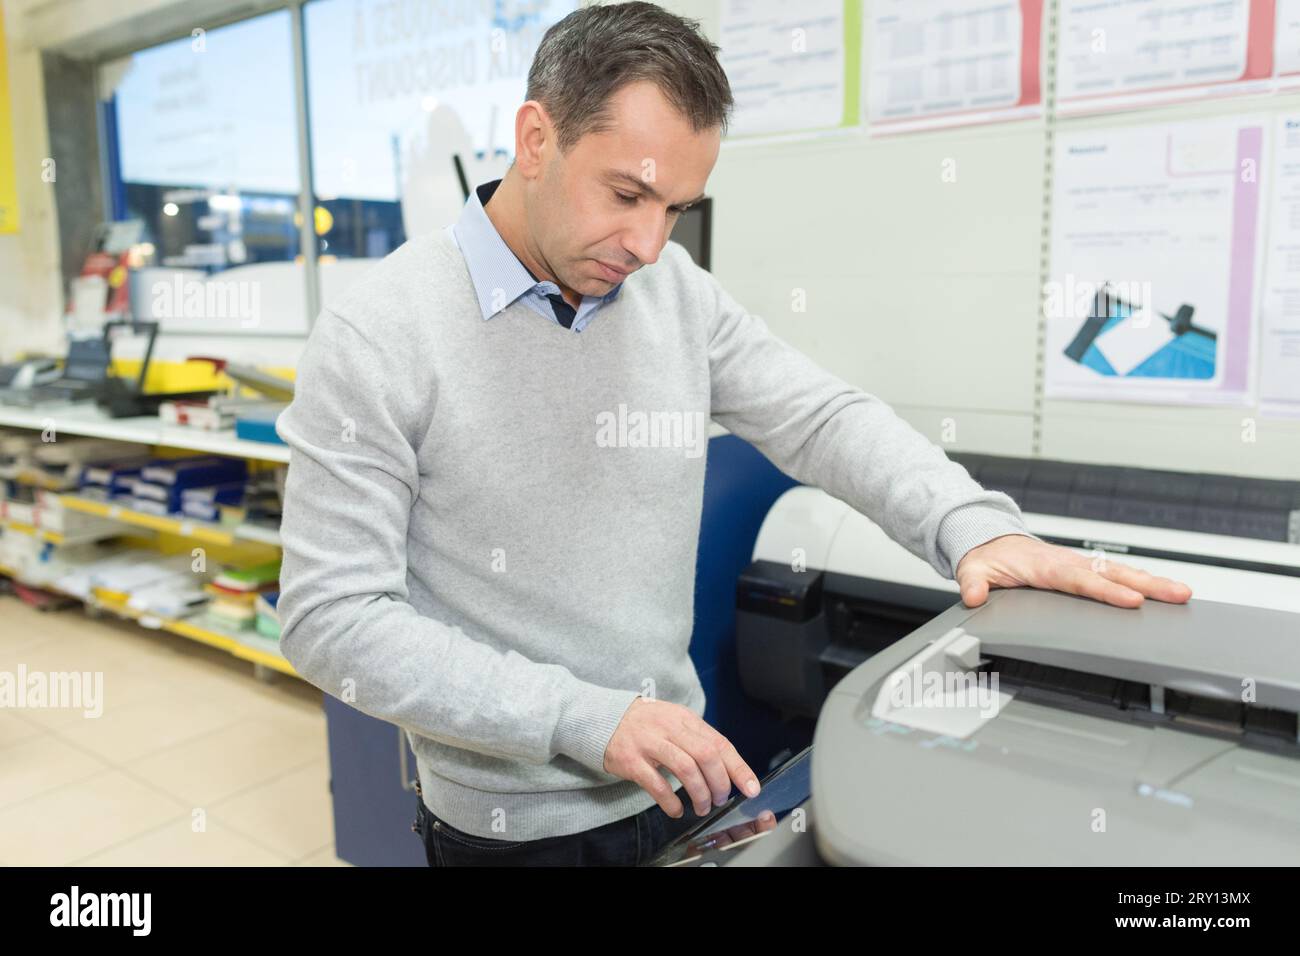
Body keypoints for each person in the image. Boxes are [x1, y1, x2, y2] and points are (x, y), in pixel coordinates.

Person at [275, 2, 1191, 867]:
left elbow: (822, 417)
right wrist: (583, 718)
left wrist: (974, 524)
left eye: (676, 209)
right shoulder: (379, 336)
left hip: (679, 785)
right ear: (535, 138)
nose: (647, 243)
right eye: (627, 193)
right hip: (511, 830)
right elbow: (331, 619)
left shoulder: (673, 295)